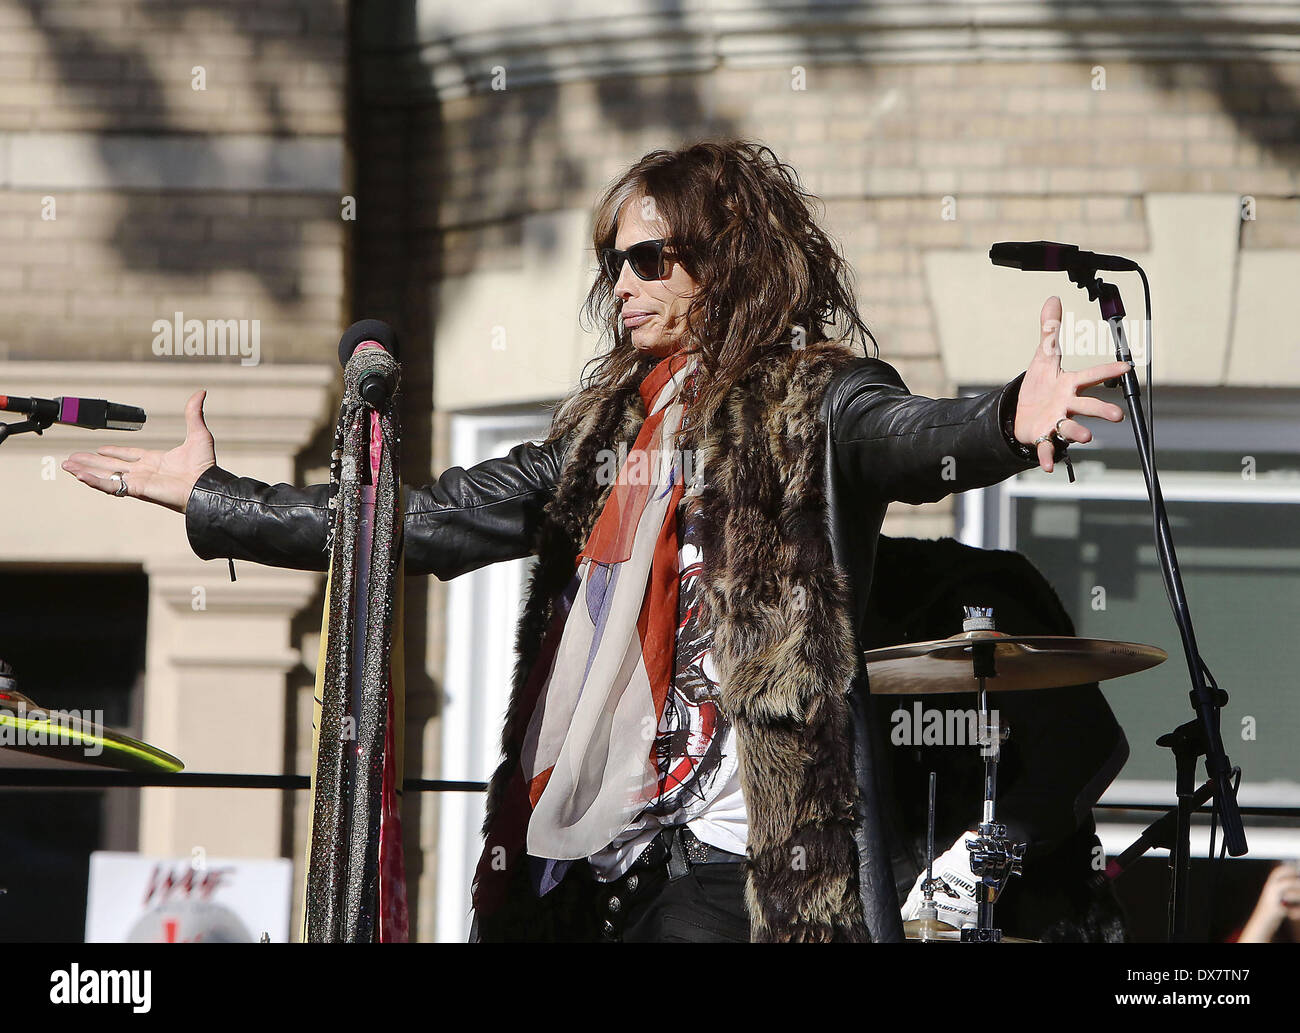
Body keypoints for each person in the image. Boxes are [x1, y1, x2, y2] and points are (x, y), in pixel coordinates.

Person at [62, 140, 1130, 942]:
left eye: (653, 257)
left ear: (729, 263)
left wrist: (1001, 422)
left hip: (743, 860)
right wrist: (215, 500)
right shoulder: (601, 440)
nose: (623, 282)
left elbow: (911, 436)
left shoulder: (815, 402)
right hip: (598, 850)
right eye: (614, 260)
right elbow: (422, 524)